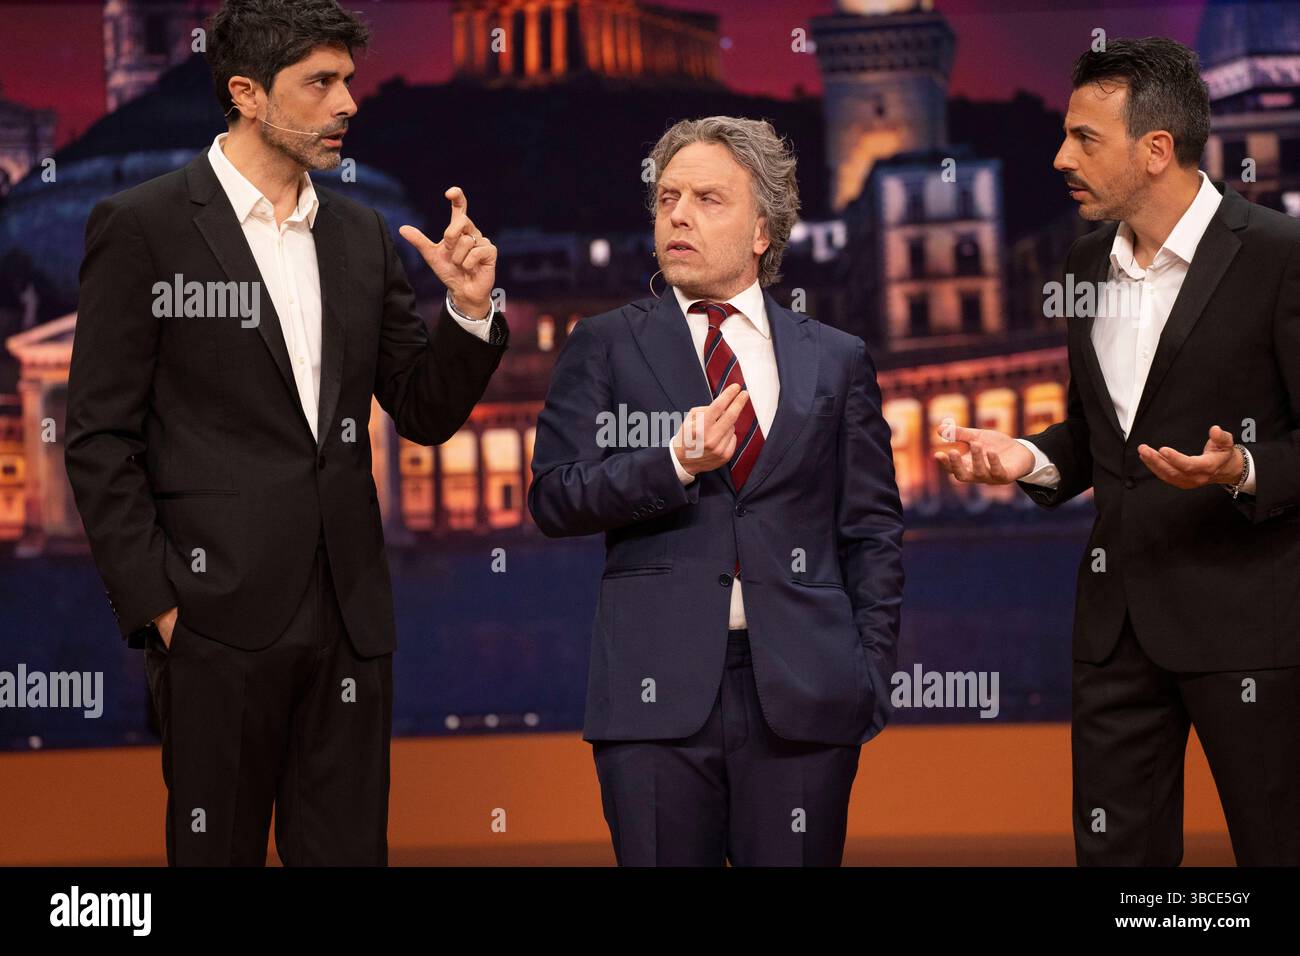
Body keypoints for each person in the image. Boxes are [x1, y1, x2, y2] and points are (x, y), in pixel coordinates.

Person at [65, 0, 508, 865]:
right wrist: (160, 609)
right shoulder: (143, 226)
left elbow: (420, 409)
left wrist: (466, 309)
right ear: (248, 93)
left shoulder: (363, 236)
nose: (349, 103)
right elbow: (97, 437)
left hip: (350, 620)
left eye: (349, 80)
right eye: (322, 83)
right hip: (210, 623)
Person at [937, 37, 1300, 865]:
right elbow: (1100, 434)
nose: (1062, 156)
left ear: (1156, 149)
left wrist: (1243, 469)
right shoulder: (1085, 263)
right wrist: (1023, 458)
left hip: (1254, 633)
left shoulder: (1281, 256)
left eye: (1084, 139)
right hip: (1114, 633)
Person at [528, 116, 905, 866]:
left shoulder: (834, 358)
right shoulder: (603, 344)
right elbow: (555, 496)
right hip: (653, 702)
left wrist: (866, 676)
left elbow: (871, 530)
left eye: (707, 198)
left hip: (806, 698)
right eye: (667, 198)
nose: (678, 215)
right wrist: (671, 462)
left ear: (763, 230)